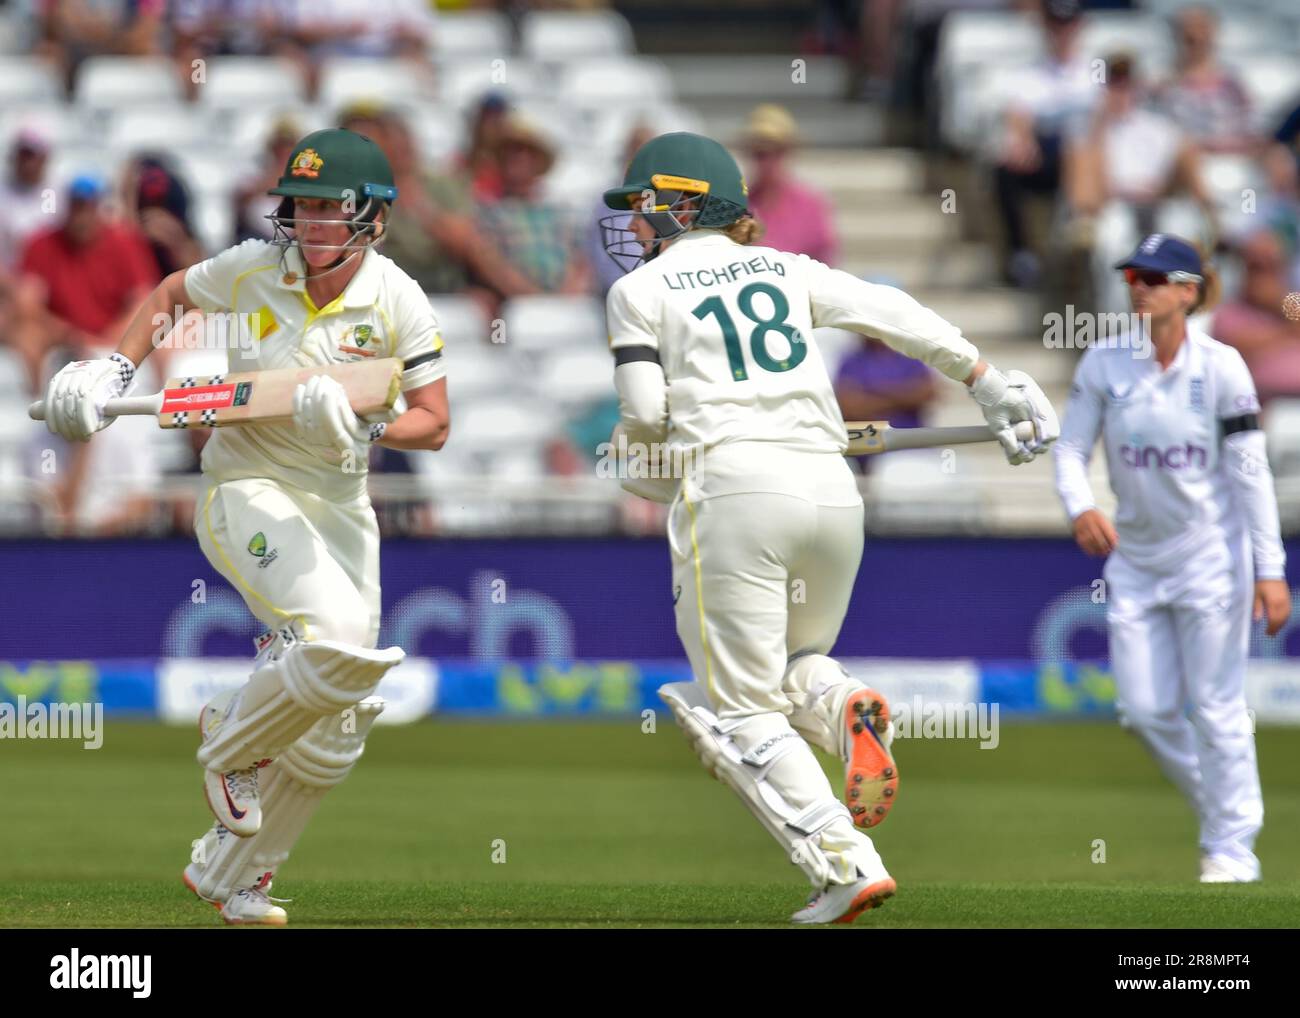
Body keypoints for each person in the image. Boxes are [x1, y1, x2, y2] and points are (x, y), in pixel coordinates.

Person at [600, 131, 1060, 923]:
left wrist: (637, 459)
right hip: (832, 491)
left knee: (739, 708)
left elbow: (644, 413)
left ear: (683, 202)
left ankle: (846, 863)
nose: (634, 225)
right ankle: (842, 706)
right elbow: (892, 311)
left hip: (737, 493)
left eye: (643, 206)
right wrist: (985, 381)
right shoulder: (788, 268)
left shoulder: (640, 292)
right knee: (795, 661)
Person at [38, 128, 450, 924]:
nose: (310, 223)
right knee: (329, 631)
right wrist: (111, 371)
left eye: (332, 209)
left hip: (341, 504)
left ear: (373, 219)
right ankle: (231, 736)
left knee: (346, 707)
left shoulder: (399, 297)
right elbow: (168, 297)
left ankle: (236, 876)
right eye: (301, 206)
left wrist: (365, 426)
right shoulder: (255, 269)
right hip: (246, 485)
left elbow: (434, 424)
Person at [1053, 233, 1290, 884]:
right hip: (1135, 559)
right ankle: (1223, 820)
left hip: (1212, 557)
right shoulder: (1104, 362)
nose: (1139, 286)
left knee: (1216, 708)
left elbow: (1251, 476)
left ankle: (1232, 847)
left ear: (1188, 292)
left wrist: (1270, 572)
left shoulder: (1222, 368)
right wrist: (1081, 506)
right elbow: (1071, 450)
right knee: (1144, 710)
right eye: (1132, 275)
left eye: (1154, 278)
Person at [740, 104, 838, 265]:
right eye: (760, 153)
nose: (768, 161)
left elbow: (825, 261)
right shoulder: (738, 204)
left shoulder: (810, 204)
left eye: (777, 151)